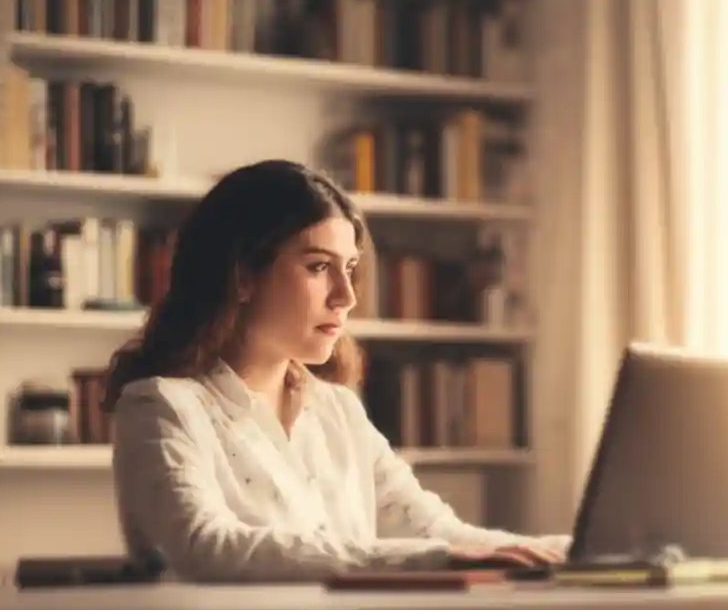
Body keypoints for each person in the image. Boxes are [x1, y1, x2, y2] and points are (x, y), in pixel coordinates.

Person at [102, 160, 568, 582]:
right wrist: (425, 560)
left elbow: (438, 532)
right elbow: (206, 546)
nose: (346, 295)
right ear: (242, 276)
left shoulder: (337, 410)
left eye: (349, 269)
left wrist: (572, 550)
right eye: (319, 266)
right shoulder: (160, 407)